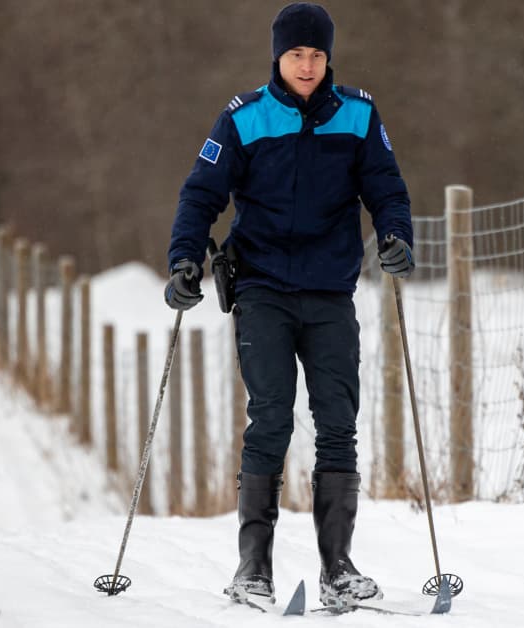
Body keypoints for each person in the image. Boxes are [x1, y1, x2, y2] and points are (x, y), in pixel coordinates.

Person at [163, 2, 415, 608]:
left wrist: (395, 234)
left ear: (330, 57)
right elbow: (201, 194)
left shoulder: (357, 113)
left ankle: (338, 568)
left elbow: (386, 185)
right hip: (263, 288)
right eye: (296, 54)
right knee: (271, 417)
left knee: (337, 423)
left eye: (317, 54)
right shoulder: (244, 118)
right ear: (277, 56)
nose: (307, 65)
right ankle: (253, 568)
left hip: (330, 290)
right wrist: (184, 258)